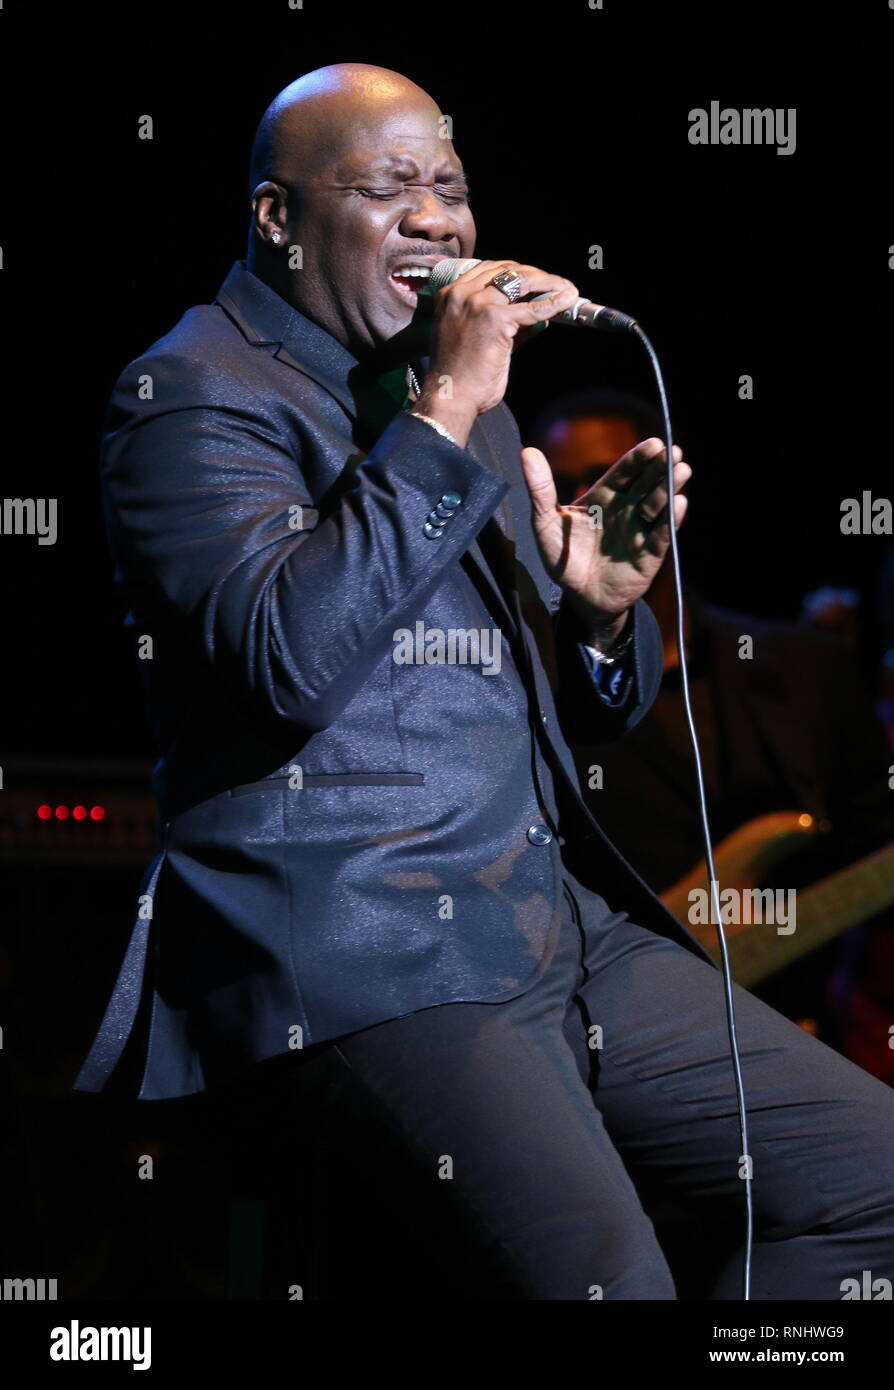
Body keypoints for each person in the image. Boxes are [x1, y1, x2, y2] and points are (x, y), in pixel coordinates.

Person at [74, 63, 894, 1300]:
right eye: (389, 186)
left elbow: (564, 713)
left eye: (450, 187)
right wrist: (451, 404)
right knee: (612, 1277)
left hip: (549, 923)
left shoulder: (458, 406)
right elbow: (288, 658)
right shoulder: (194, 395)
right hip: (361, 948)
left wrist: (599, 619)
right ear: (277, 218)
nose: (439, 219)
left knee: (875, 1184)